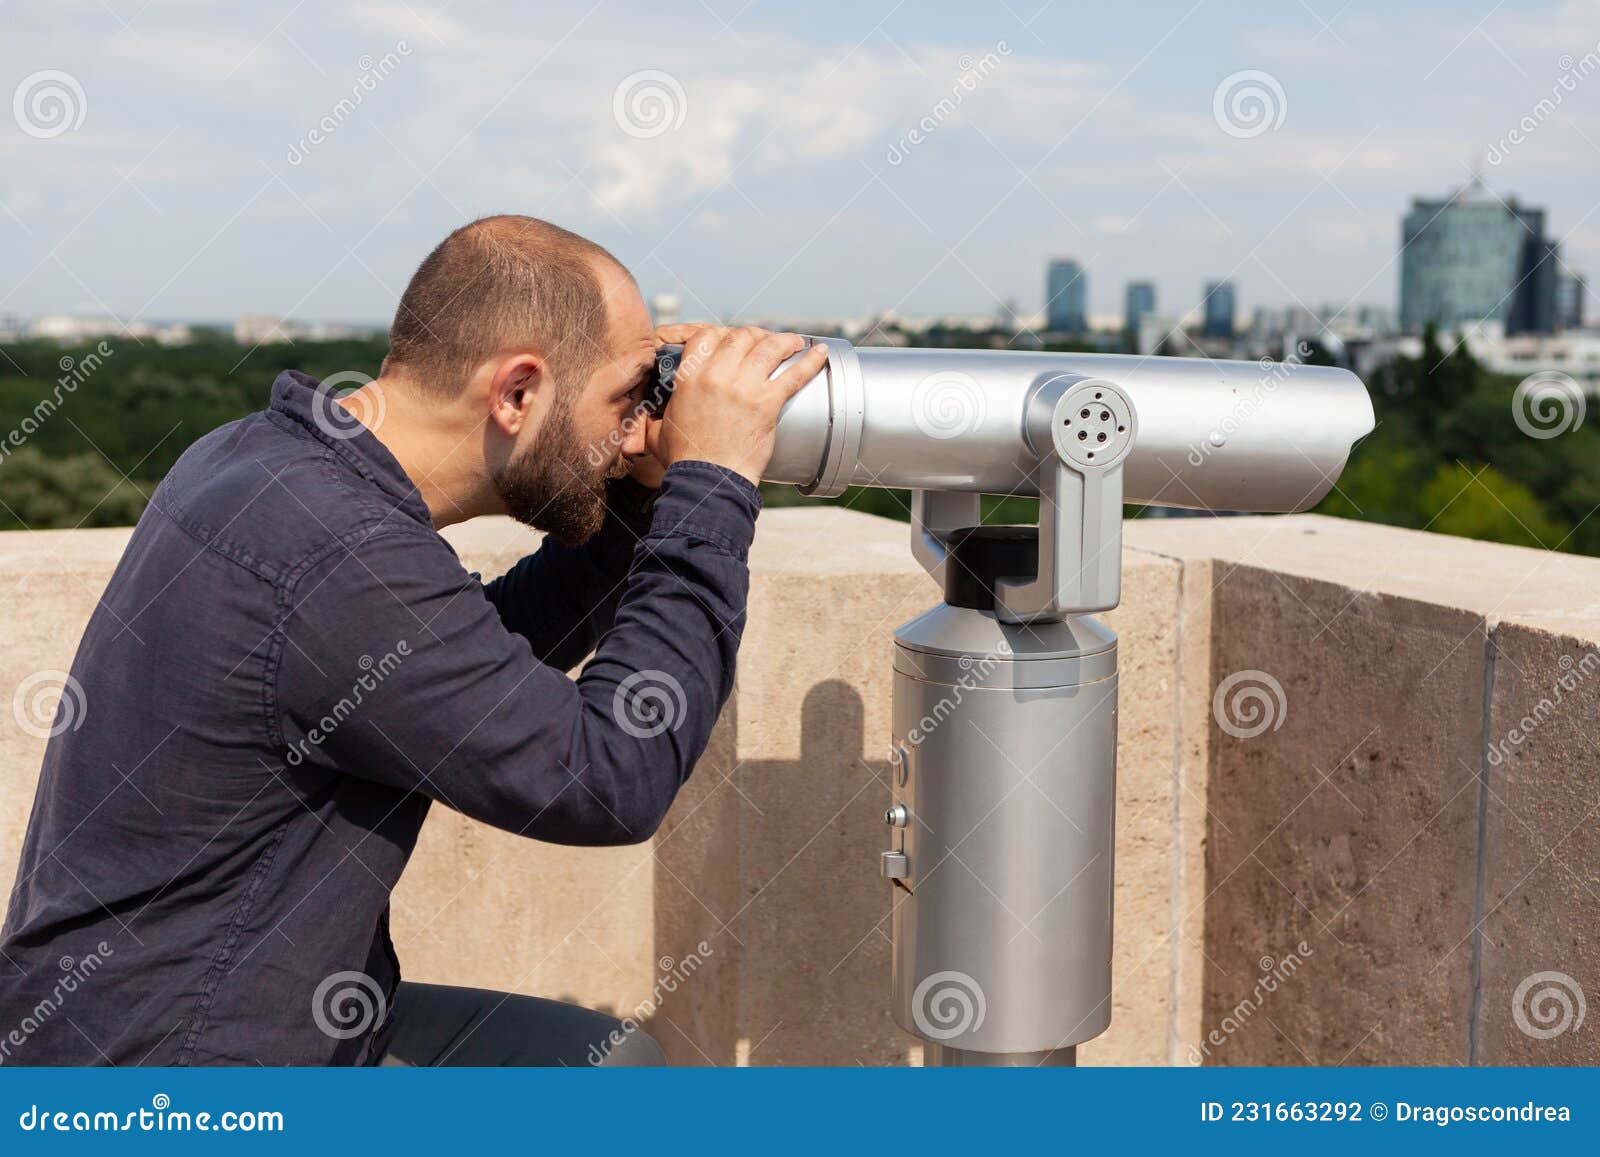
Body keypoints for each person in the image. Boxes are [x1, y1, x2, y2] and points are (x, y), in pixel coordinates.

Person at [0, 215, 828, 1066]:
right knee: (620, 1075)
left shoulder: (264, 462)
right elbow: (610, 777)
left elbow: (464, 665)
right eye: (625, 400)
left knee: (613, 1064)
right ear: (516, 392)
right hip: (173, 1080)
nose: (632, 433)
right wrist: (712, 485)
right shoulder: (336, 551)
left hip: (147, 1026)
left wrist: (640, 502)